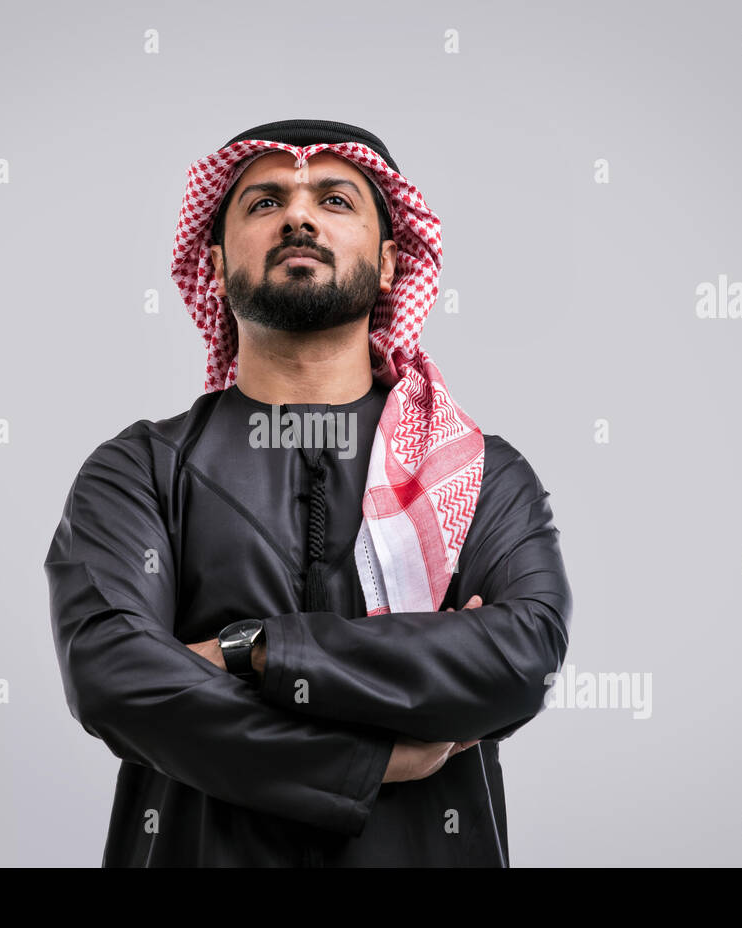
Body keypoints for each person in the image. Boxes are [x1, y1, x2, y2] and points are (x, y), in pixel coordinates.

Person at [43, 119, 573, 866]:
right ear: (219, 265)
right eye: (264, 202)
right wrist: (369, 760)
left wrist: (252, 649)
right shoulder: (138, 470)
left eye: (334, 198)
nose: (298, 216)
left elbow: (523, 656)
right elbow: (113, 678)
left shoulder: (482, 471)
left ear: (392, 264)